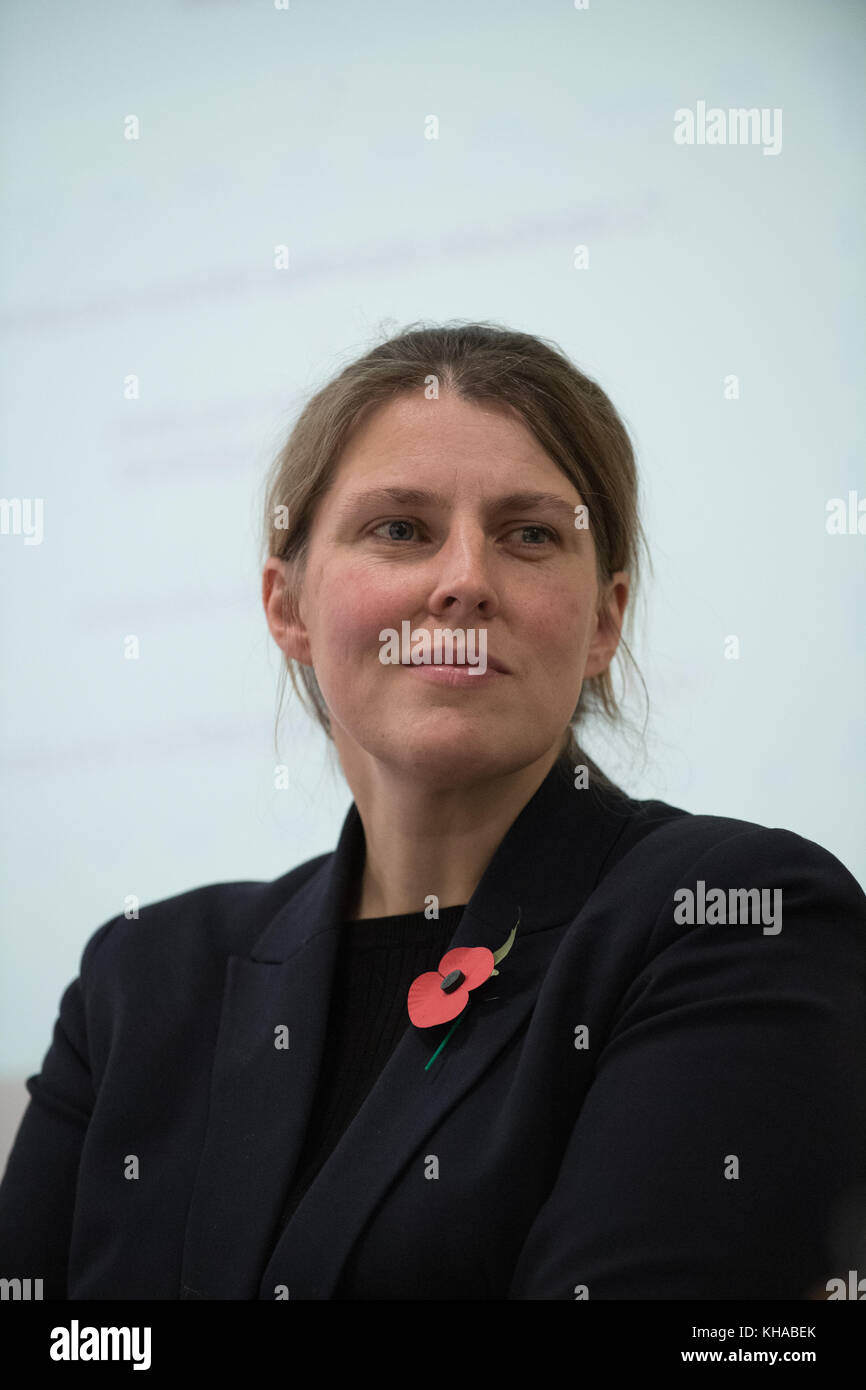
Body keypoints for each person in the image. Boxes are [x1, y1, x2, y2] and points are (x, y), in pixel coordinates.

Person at [1, 321, 864, 1300]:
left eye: (529, 534)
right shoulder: (140, 980)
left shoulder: (737, 915)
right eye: (399, 529)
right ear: (286, 606)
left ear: (603, 620)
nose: (462, 581)